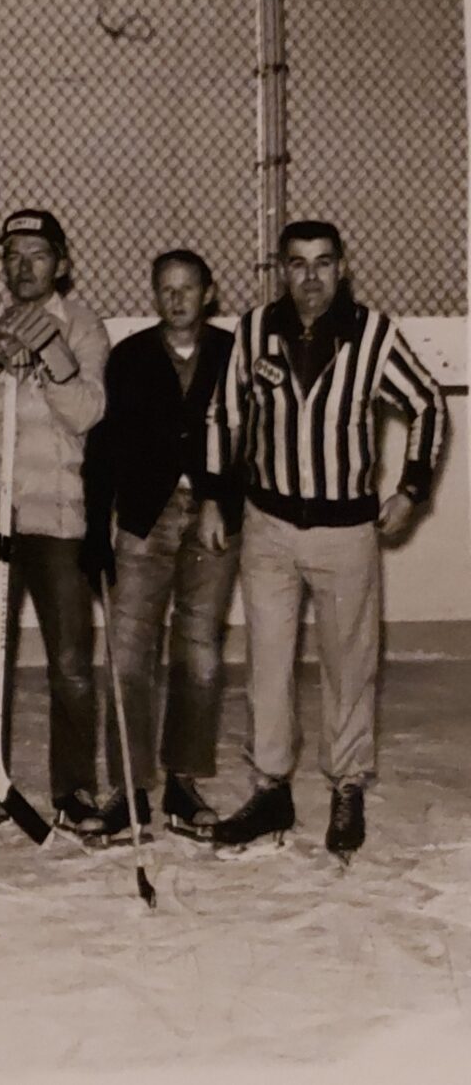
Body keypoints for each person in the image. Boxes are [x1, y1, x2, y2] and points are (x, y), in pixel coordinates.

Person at [200, 221, 447, 860]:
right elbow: (223, 415)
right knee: (268, 665)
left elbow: (427, 405)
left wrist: (411, 489)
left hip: (345, 532)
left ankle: (347, 786)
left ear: (341, 268)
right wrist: (212, 497)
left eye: (323, 263)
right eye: (297, 264)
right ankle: (271, 787)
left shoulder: (372, 334)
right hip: (269, 529)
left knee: (349, 665)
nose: (310, 278)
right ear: (281, 269)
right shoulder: (254, 331)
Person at [0, 210, 110, 834]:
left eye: (37, 254)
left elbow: (87, 411)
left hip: (54, 517)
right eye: (12, 255)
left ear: (60, 262)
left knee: (69, 659)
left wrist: (48, 349)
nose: (23, 266)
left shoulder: (83, 324)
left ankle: (75, 790)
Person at [80, 249, 241, 842]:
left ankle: (181, 782)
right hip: (143, 523)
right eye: (165, 289)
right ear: (154, 295)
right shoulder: (130, 357)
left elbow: (249, 441)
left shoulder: (232, 353)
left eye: (188, 288)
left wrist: (220, 498)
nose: (176, 299)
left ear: (208, 293)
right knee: (128, 652)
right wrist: (97, 531)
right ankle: (129, 786)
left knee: (199, 651)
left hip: (211, 522)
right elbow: (103, 450)